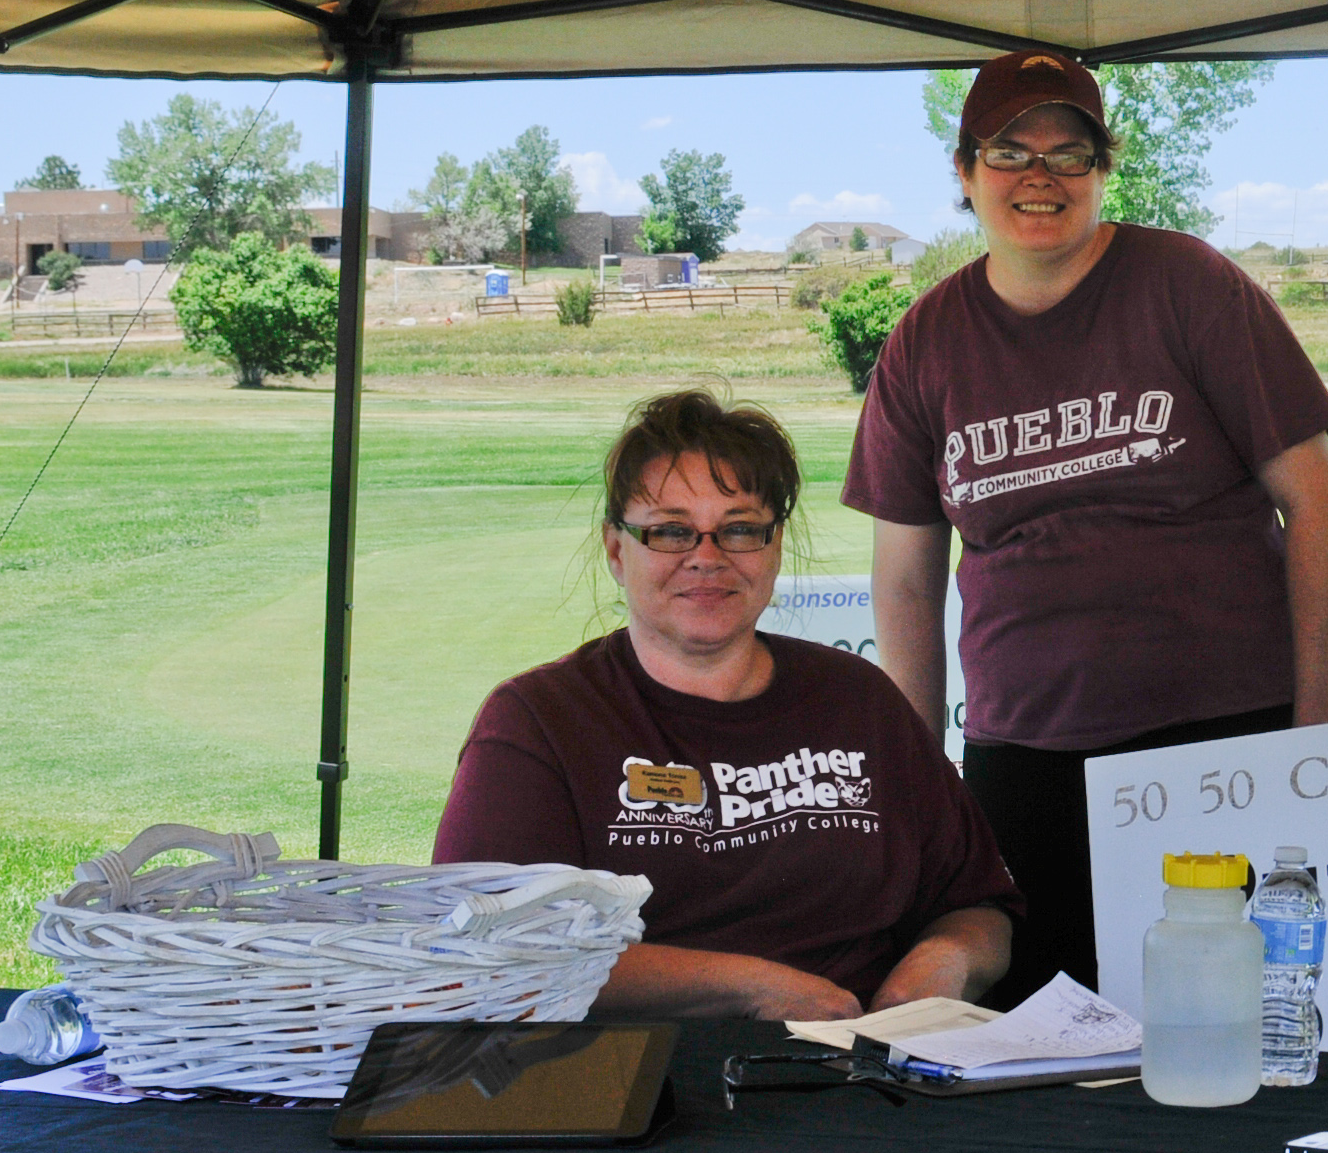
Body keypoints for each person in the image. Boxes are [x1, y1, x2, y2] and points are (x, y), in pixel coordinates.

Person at [846, 49, 1328, 1004]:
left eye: (1069, 152)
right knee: (1037, 1027)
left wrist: (1311, 714)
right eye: (1010, 150)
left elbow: (1316, 500)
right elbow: (907, 577)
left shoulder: (1188, 284)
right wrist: (922, 778)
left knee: (1227, 1015)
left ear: (1102, 169)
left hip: (1218, 742)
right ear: (965, 173)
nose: (1040, 176)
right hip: (1024, 755)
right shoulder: (925, 341)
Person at [437, 390, 1019, 1019]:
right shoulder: (539, 724)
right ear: (616, 549)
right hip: (646, 1090)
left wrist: (942, 963)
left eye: (740, 528)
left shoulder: (860, 701)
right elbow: (489, 951)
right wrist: (756, 989)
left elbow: (980, 909)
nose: (707, 558)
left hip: (875, 1069)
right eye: (670, 530)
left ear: (773, 544)